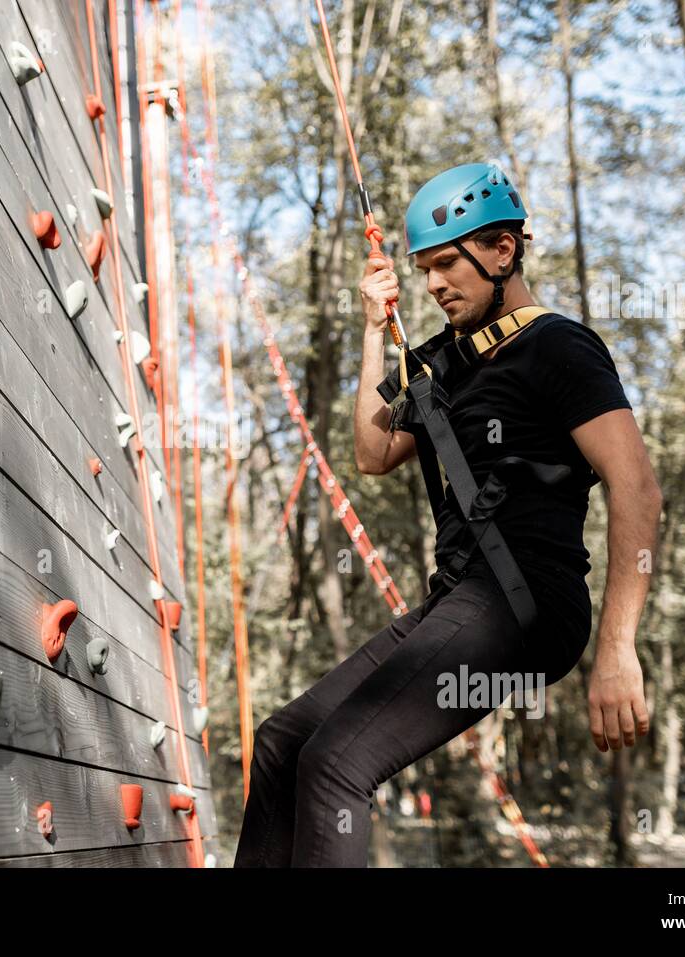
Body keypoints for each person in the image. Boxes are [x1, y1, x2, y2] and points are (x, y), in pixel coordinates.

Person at [234, 162, 661, 867]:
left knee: (337, 763)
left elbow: (637, 485)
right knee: (284, 742)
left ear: (503, 251)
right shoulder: (448, 364)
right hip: (463, 596)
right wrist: (375, 328)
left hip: (528, 600)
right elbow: (373, 453)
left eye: (446, 264)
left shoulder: (559, 346)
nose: (433, 285)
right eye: (424, 269)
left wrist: (618, 648)